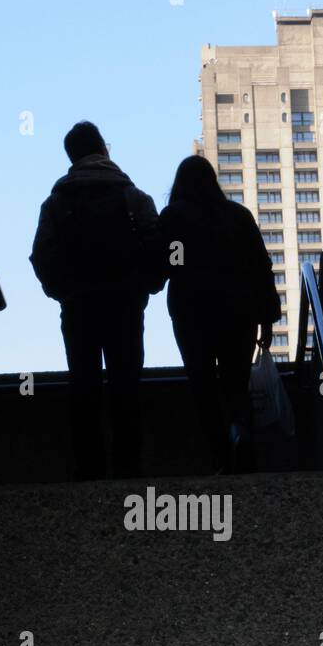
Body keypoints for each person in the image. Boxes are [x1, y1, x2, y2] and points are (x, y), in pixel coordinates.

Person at [30, 122, 164, 479]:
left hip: (79, 306)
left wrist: (63, 291)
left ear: (71, 157)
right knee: (126, 385)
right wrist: (146, 286)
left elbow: (41, 255)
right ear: (104, 149)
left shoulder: (57, 201)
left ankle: (89, 472)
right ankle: (129, 470)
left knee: (84, 387)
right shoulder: (134, 197)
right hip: (125, 304)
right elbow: (157, 247)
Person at [159, 155, 281, 472]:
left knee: (202, 384)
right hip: (239, 314)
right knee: (236, 383)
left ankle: (219, 455)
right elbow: (260, 266)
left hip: (191, 313)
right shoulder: (238, 216)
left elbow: (164, 265)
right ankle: (241, 436)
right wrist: (267, 315)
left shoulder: (174, 216)